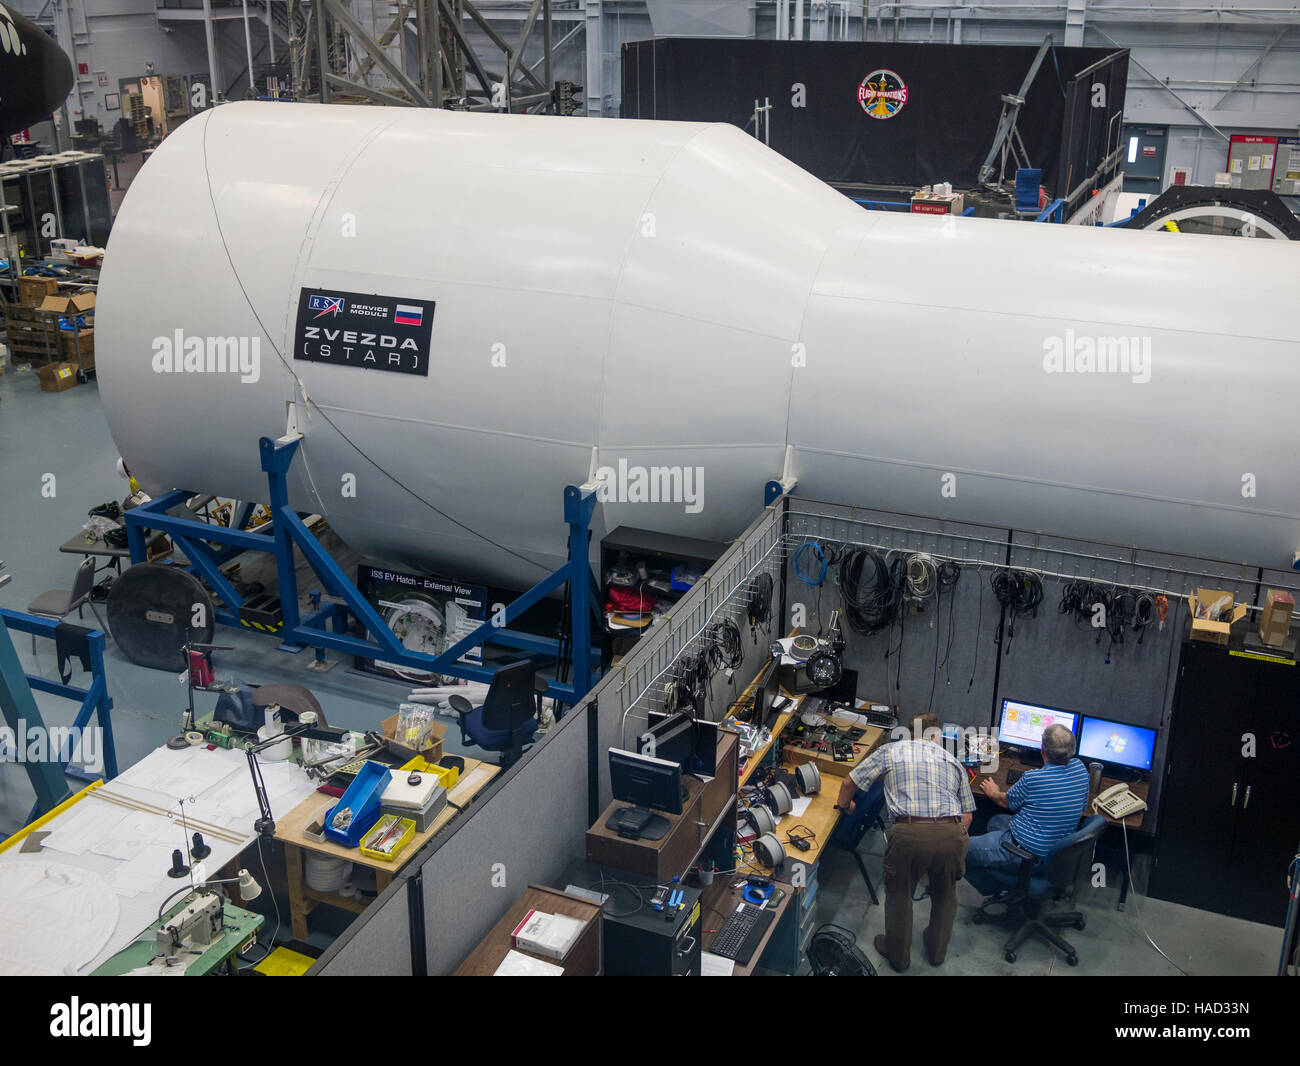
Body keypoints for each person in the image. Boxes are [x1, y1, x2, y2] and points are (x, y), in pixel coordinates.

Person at [837, 713, 974, 971]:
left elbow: (848, 782)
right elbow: (967, 814)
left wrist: (845, 806)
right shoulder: (952, 761)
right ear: (937, 736)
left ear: (910, 734)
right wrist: (950, 840)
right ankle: (937, 952)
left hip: (909, 833)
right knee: (945, 894)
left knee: (900, 894)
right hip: (952, 832)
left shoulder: (892, 751)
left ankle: (898, 957)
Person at [966, 723, 1091, 894]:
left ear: (1043, 751)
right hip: (1057, 855)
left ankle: (993, 886)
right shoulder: (1081, 769)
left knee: (958, 848)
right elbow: (1083, 806)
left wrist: (993, 792)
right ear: (1073, 749)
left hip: (1025, 855)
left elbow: (1005, 802)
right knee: (996, 821)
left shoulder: (1034, 778)